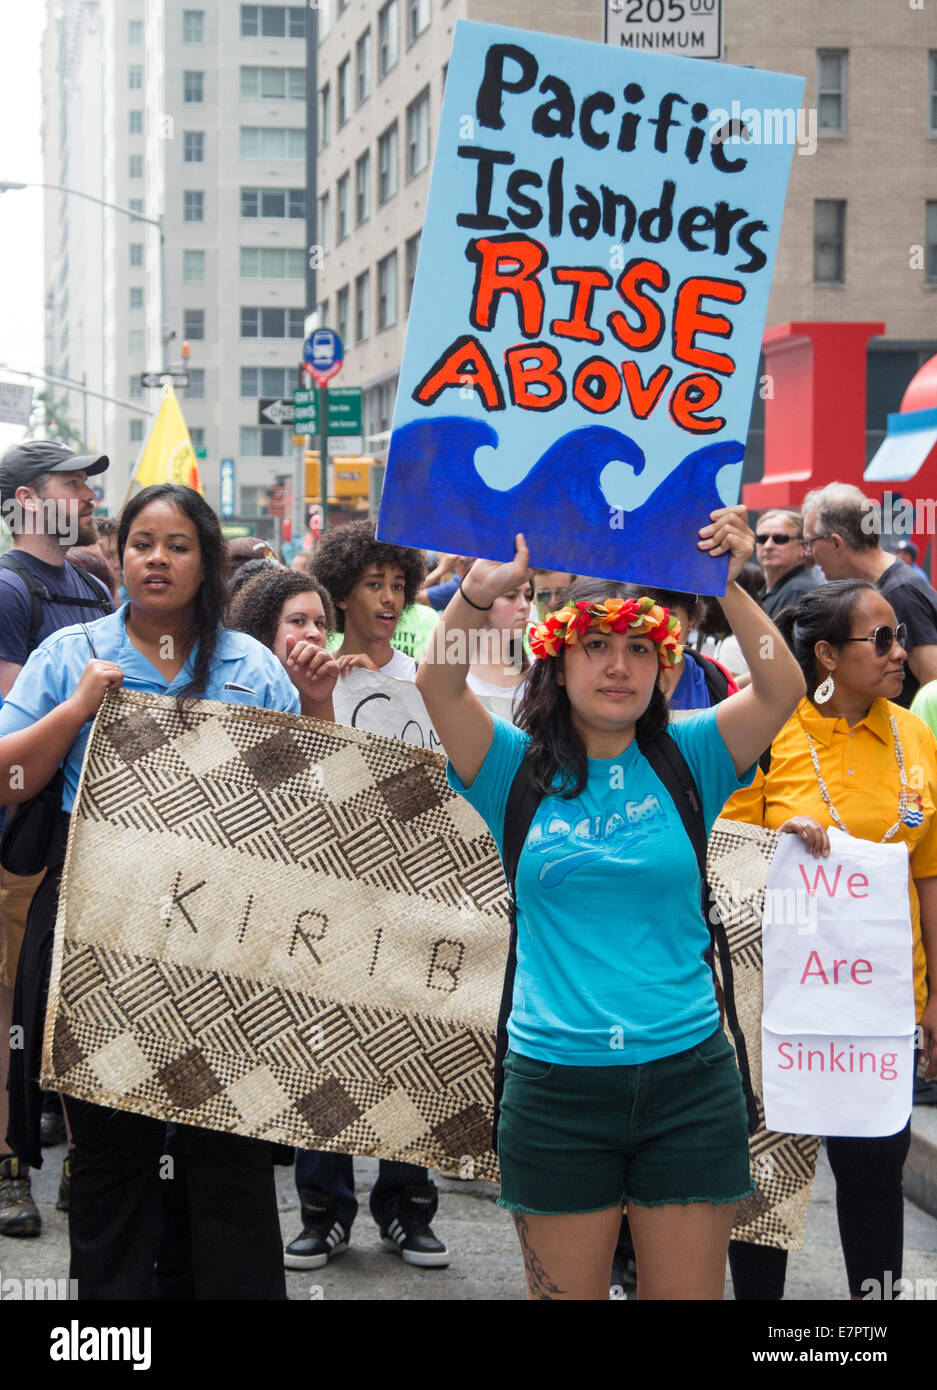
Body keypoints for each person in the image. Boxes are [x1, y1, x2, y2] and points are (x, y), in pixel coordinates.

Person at [415, 509, 805, 1300]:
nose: (618, 666)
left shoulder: (694, 749)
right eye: (595, 646)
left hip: (688, 1081)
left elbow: (784, 686)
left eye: (639, 648)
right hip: (555, 1086)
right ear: (558, 664)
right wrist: (476, 593)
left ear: (666, 668)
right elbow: (436, 681)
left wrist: (727, 588)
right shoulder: (508, 767)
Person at [0, 483, 310, 1299]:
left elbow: (305, 812)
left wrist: (311, 706)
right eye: (141, 542)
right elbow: (10, 776)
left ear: (205, 560)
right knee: (110, 1159)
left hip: (227, 943)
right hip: (97, 927)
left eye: (176, 545)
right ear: (118, 554)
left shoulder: (253, 668)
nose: (157, 559)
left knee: (229, 1156)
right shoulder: (71, 657)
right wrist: (75, 712)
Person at [721, 580, 937, 1301]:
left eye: (898, 636)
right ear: (822, 655)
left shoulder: (915, 736)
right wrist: (774, 840)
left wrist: (934, 994)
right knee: (767, 1182)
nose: (898, 653)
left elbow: (930, 875)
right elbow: (725, 856)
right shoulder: (768, 729)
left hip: (880, 1012)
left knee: (874, 1179)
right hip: (779, 1004)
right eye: (879, 639)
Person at [284, 519, 449, 1268]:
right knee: (325, 1045)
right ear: (341, 588)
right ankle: (322, 1209)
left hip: (414, 885)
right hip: (329, 886)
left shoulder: (427, 676)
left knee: (407, 1042)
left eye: (398, 585)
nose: (388, 599)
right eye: (373, 584)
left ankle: (407, 1205)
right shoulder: (310, 674)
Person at [0, 441, 113, 1240]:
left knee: (86, 1001)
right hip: (23, 834)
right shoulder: (9, 589)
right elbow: (19, 725)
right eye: (72, 481)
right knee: (11, 1008)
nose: (85, 493)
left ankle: (87, 1157)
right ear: (27, 498)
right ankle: (10, 1167)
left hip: (95, 833)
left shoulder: (91, 585)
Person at [802, 483, 937, 706]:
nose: (809, 555)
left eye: (810, 543)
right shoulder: (886, 589)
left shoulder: (901, 592)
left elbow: (932, 689)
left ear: (836, 542)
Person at [619, 586, 738, 712]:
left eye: (668, 617)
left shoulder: (714, 682)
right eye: (648, 616)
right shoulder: (616, 673)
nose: (656, 627)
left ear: (691, 620)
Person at [465, 566, 533, 707]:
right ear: (480, 601)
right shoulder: (453, 673)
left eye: (528, 596)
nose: (524, 605)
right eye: (511, 596)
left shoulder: (536, 672)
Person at [754, 509, 821, 619]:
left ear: (803, 547)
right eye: (762, 539)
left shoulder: (800, 592)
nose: (768, 546)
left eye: (780, 539)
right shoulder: (764, 589)